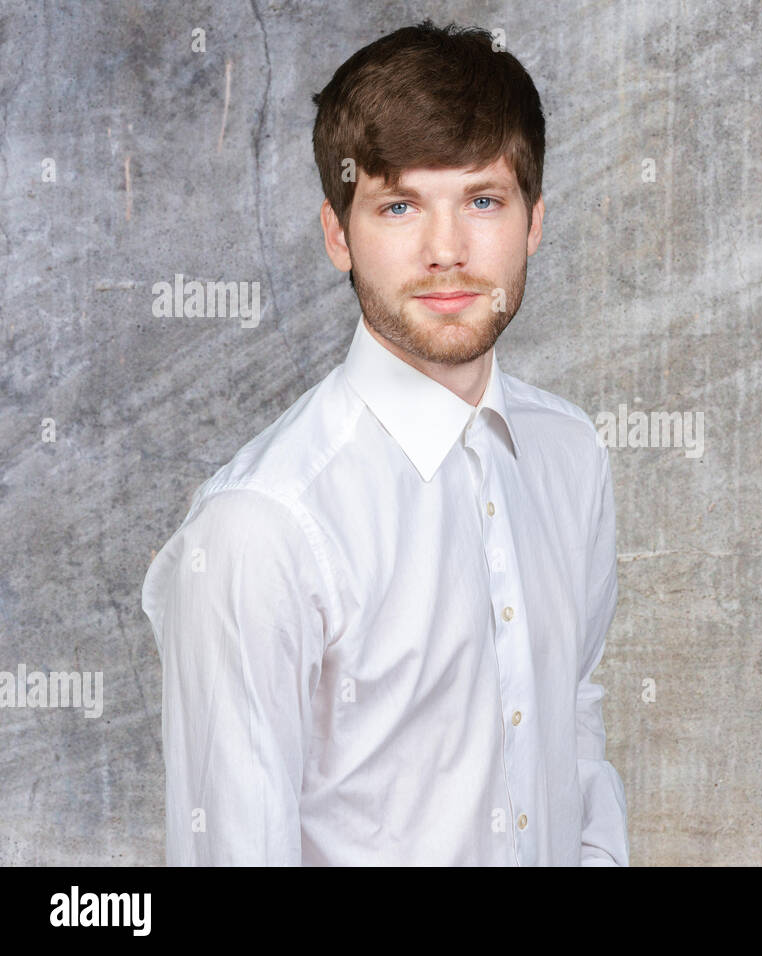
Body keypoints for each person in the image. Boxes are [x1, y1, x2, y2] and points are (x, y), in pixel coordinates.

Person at [140, 20, 629, 866]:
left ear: (534, 222)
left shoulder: (570, 454)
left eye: (483, 200)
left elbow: (572, 722)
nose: (447, 252)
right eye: (399, 205)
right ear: (339, 235)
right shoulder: (257, 530)